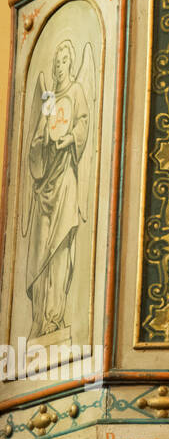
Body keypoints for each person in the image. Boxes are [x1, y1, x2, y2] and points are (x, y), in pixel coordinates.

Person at [25, 40, 92, 338]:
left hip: (66, 177)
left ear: (71, 63)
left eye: (64, 61)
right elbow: (38, 138)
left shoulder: (77, 91)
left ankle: (56, 315)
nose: (58, 66)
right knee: (41, 250)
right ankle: (39, 320)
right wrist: (44, 144)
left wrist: (70, 139)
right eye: (56, 62)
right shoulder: (49, 97)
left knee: (61, 248)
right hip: (46, 185)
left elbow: (83, 124)